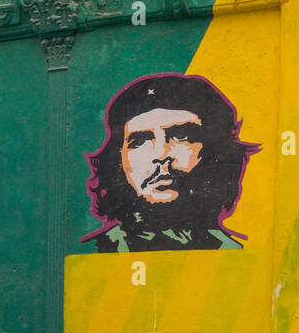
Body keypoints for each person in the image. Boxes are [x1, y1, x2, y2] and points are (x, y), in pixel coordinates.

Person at [82, 73, 260, 252]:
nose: (161, 154)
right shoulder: (96, 252)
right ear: (117, 162)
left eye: (181, 136)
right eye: (139, 141)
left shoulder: (238, 255)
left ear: (216, 152)